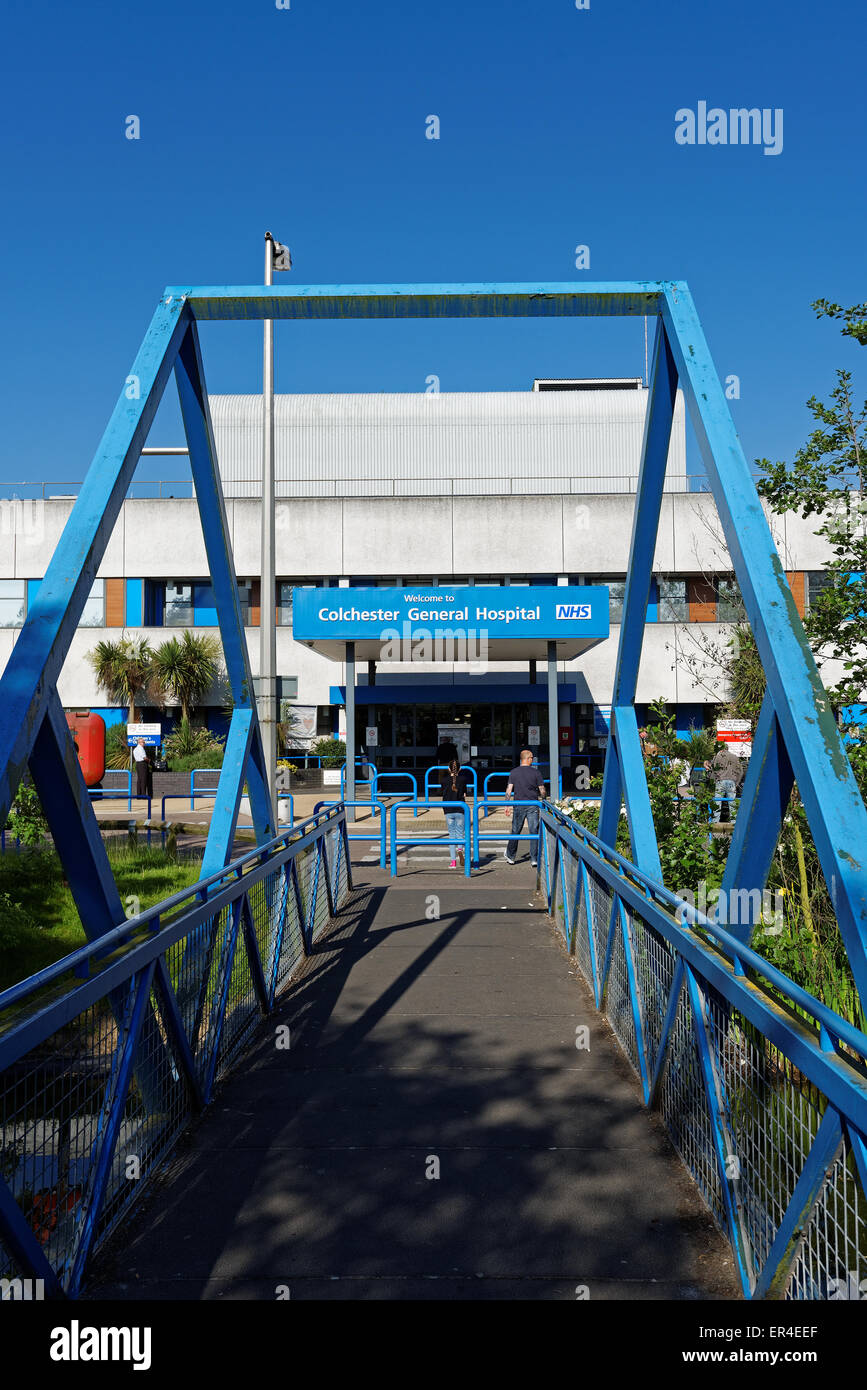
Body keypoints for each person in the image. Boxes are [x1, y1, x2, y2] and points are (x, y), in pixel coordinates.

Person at [504, 749, 546, 866]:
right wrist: (544, 800)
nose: (533, 759)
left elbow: (509, 789)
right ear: (527, 759)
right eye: (532, 757)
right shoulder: (536, 772)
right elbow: (542, 789)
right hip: (533, 804)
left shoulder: (514, 772)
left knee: (516, 830)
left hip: (518, 804)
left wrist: (506, 805)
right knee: (534, 831)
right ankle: (534, 858)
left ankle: (511, 856)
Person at [439, 758, 471, 868]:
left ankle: (453, 862)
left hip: (448, 810)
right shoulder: (463, 779)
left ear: (448, 769)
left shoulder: (443, 780)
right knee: (460, 833)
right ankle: (460, 849)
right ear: (460, 768)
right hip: (460, 809)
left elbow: (442, 793)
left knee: (451, 835)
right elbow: (465, 795)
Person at [708, 744, 746, 823]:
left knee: (717, 803)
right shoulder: (734, 757)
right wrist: (736, 782)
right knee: (732, 804)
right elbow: (741, 771)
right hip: (731, 782)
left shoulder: (717, 757)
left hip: (720, 781)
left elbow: (713, 771)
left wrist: (712, 782)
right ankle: (733, 823)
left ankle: (715, 823)